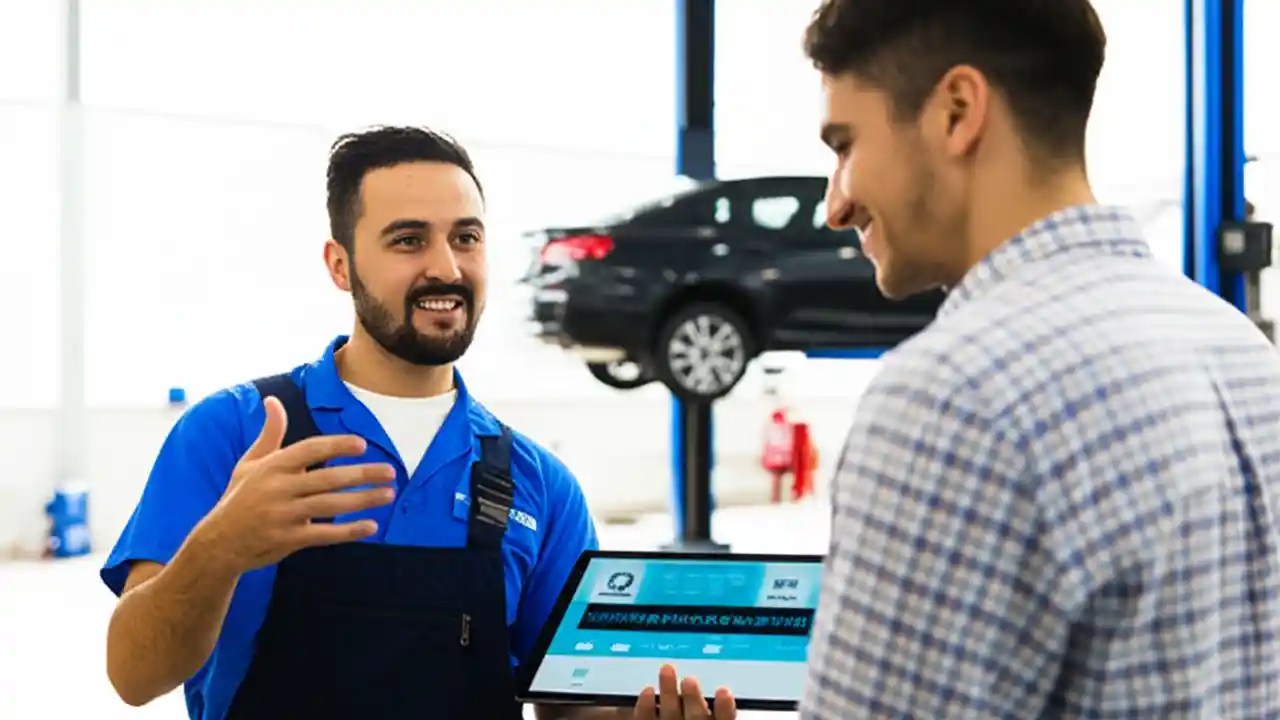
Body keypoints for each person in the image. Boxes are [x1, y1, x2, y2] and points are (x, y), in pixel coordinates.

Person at [101, 125, 737, 720]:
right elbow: (135, 675)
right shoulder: (236, 432)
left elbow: (571, 706)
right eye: (409, 240)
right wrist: (221, 548)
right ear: (340, 265)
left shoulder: (537, 484)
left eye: (465, 237)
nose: (446, 268)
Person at [798, 1, 1280, 718]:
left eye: (845, 145)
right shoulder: (1237, 346)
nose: (835, 205)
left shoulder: (950, 397)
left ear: (958, 111)